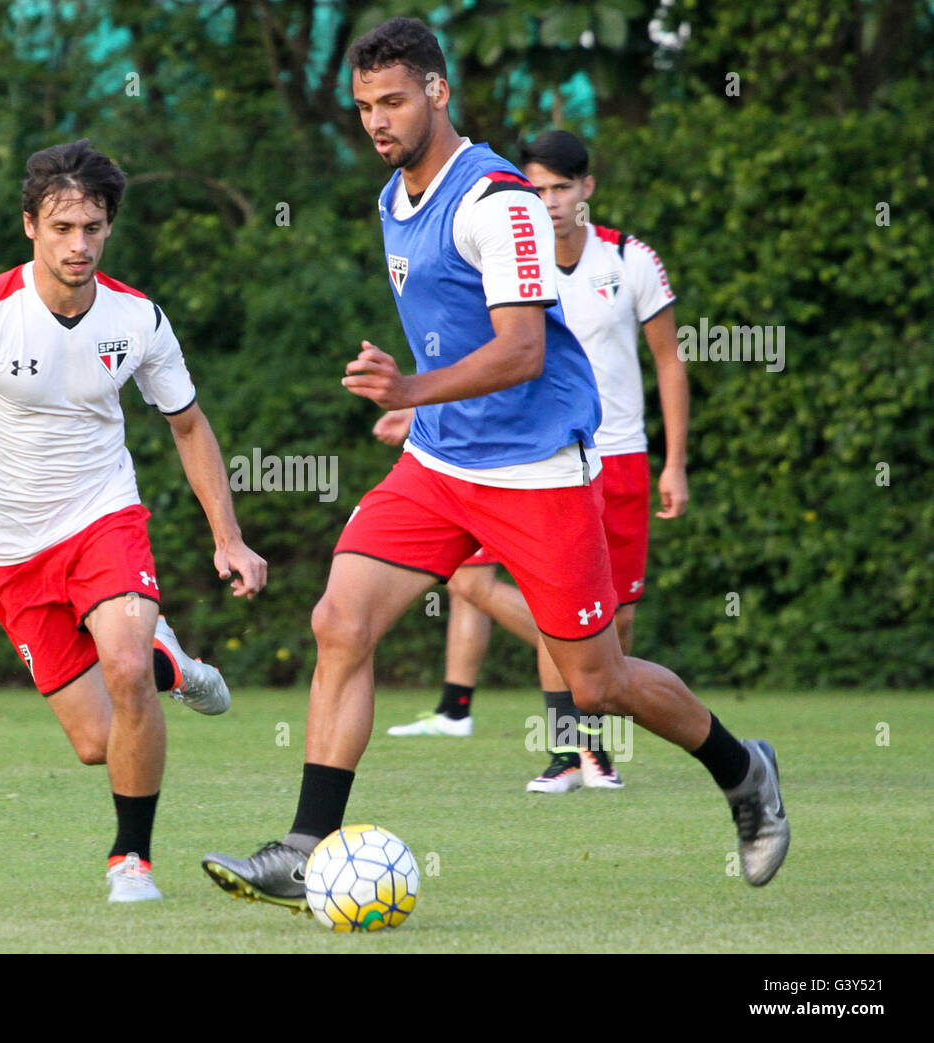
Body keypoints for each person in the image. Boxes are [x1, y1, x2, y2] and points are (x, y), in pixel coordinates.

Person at [201, 17, 787, 906]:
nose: (377, 121)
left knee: (597, 682)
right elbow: (450, 329)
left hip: (537, 472)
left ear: (439, 91)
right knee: (340, 622)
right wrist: (421, 415)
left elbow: (519, 351)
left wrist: (411, 392)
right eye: (363, 106)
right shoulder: (395, 196)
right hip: (441, 467)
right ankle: (305, 844)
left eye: (394, 100)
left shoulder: (500, 204)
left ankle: (744, 770)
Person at [0, 140, 266, 903]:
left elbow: (188, 424)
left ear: (109, 227)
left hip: (103, 519)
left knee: (122, 671)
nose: (78, 244)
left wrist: (229, 536)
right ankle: (172, 666)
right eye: (62, 227)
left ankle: (132, 860)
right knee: (96, 740)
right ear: (30, 226)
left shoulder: (139, 318)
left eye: (92, 227)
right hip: (8, 552)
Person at [383, 129, 691, 796]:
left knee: (614, 623)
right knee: (496, 590)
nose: (548, 201)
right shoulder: (510, 247)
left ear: (587, 188)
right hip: (530, 459)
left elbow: (670, 359)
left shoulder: (631, 260)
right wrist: (416, 409)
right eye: (539, 187)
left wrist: (676, 460)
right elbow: (474, 353)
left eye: (560, 188)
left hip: (620, 455)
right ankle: (566, 750)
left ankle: (599, 748)